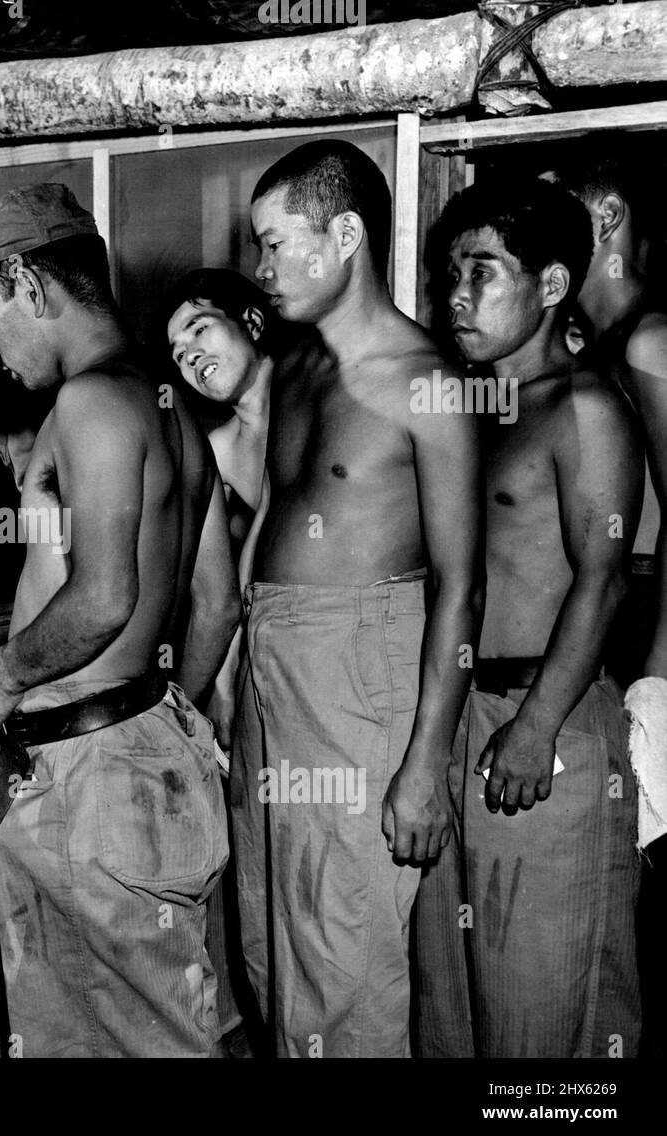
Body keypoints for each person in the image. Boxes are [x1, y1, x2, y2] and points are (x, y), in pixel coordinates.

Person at [0, 183, 239, 1057]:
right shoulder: (173, 403)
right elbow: (216, 599)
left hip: (91, 784)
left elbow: (104, 594)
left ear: (27, 285)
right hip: (141, 742)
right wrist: (151, 714)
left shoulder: (89, 404)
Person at [233, 139, 483, 1057]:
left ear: (346, 234)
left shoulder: (427, 380)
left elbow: (463, 585)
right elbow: (268, 521)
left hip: (360, 674)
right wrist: (231, 668)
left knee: (346, 956)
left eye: (274, 243)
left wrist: (423, 764)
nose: (260, 270)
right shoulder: (296, 368)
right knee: (271, 942)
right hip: (274, 671)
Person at [415, 179, 642, 1058]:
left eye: (484, 272)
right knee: (459, 1007)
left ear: (551, 286)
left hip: (546, 723)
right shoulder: (470, 413)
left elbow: (603, 580)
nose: (457, 295)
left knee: (546, 1012)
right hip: (472, 717)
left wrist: (535, 725)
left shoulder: (582, 405)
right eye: (449, 274)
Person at [546, 146, 667, 685]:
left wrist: (658, 676)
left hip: (645, 616)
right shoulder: (597, 346)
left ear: (607, 217)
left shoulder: (650, 339)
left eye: (548, 208)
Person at [163, 268, 277, 753]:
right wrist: (224, 685)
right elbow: (226, 588)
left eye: (200, 328)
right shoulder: (218, 449)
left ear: (251, 321)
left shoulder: (313, 403)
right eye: (179, 354)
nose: (191, 355)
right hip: (269, 649)